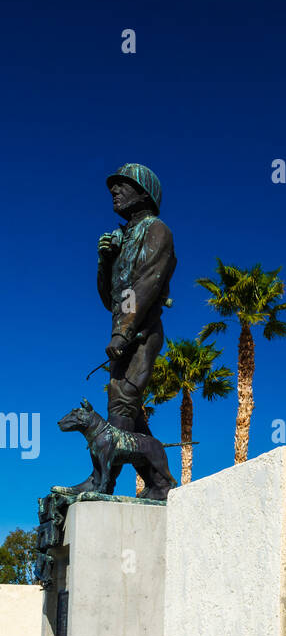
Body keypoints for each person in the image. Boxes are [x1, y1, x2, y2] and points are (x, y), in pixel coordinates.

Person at [97, 163, 176, 434]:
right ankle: (159, 477)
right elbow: (111, 299)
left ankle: (102, 477)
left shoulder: (157, 230)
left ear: (144, 193)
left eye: (122, 184)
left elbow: (145, 285)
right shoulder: (121, 238)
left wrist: (123, 332)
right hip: (125, 332)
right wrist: (105, 261)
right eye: (112, 187)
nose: (114, 190)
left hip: (142, 331)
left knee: (121, 402)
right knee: (126, 409)